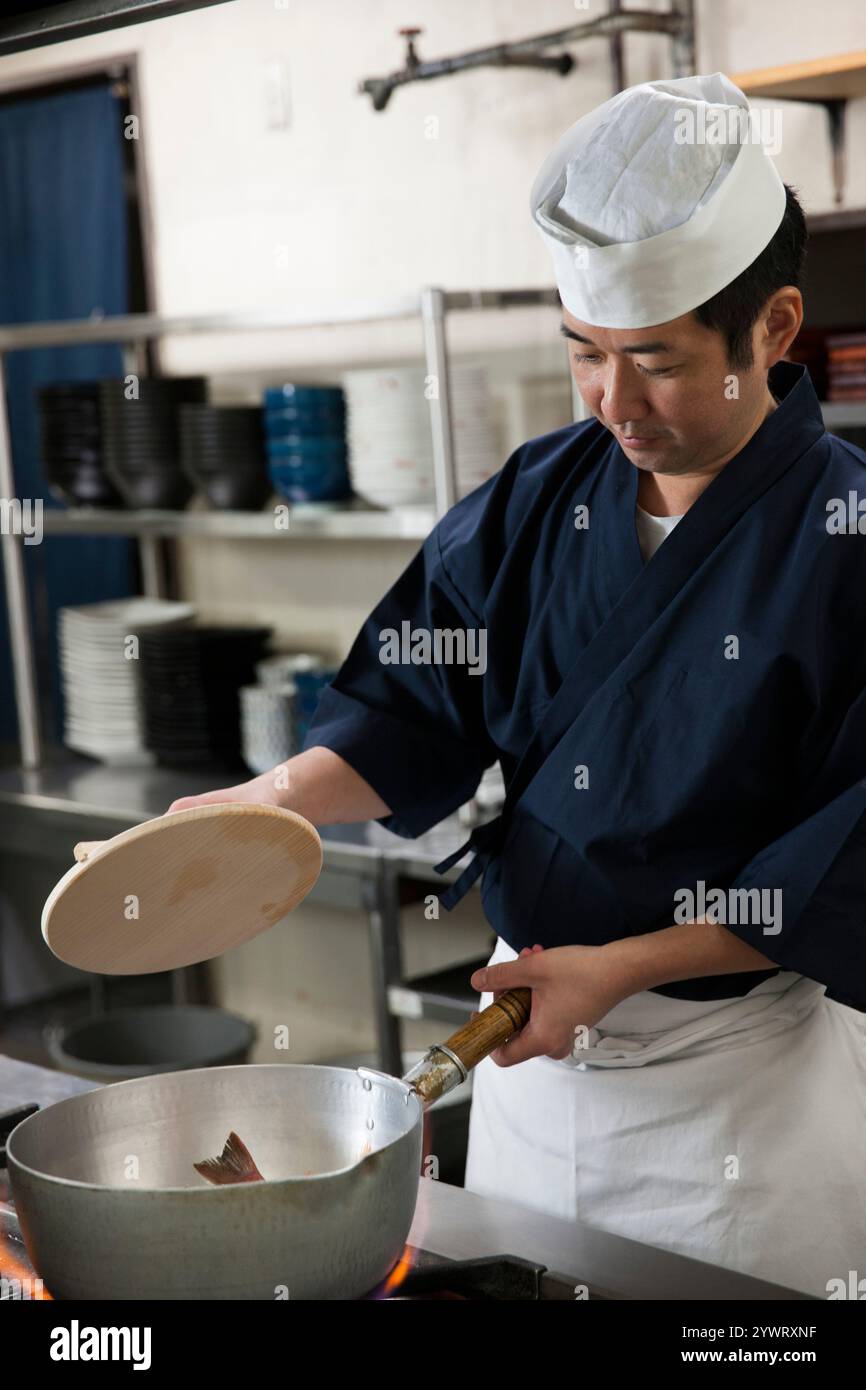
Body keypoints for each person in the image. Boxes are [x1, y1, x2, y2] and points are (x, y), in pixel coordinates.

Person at [169, 74, 866, 1298]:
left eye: (653, 360)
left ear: (772, 327)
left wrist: (627, 964)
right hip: (528, 1072)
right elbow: (404, 711)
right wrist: (267, 799)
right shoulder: (541, 495)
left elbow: (844, 855)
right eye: (582, 355)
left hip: (737, 1101)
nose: (612, 403)